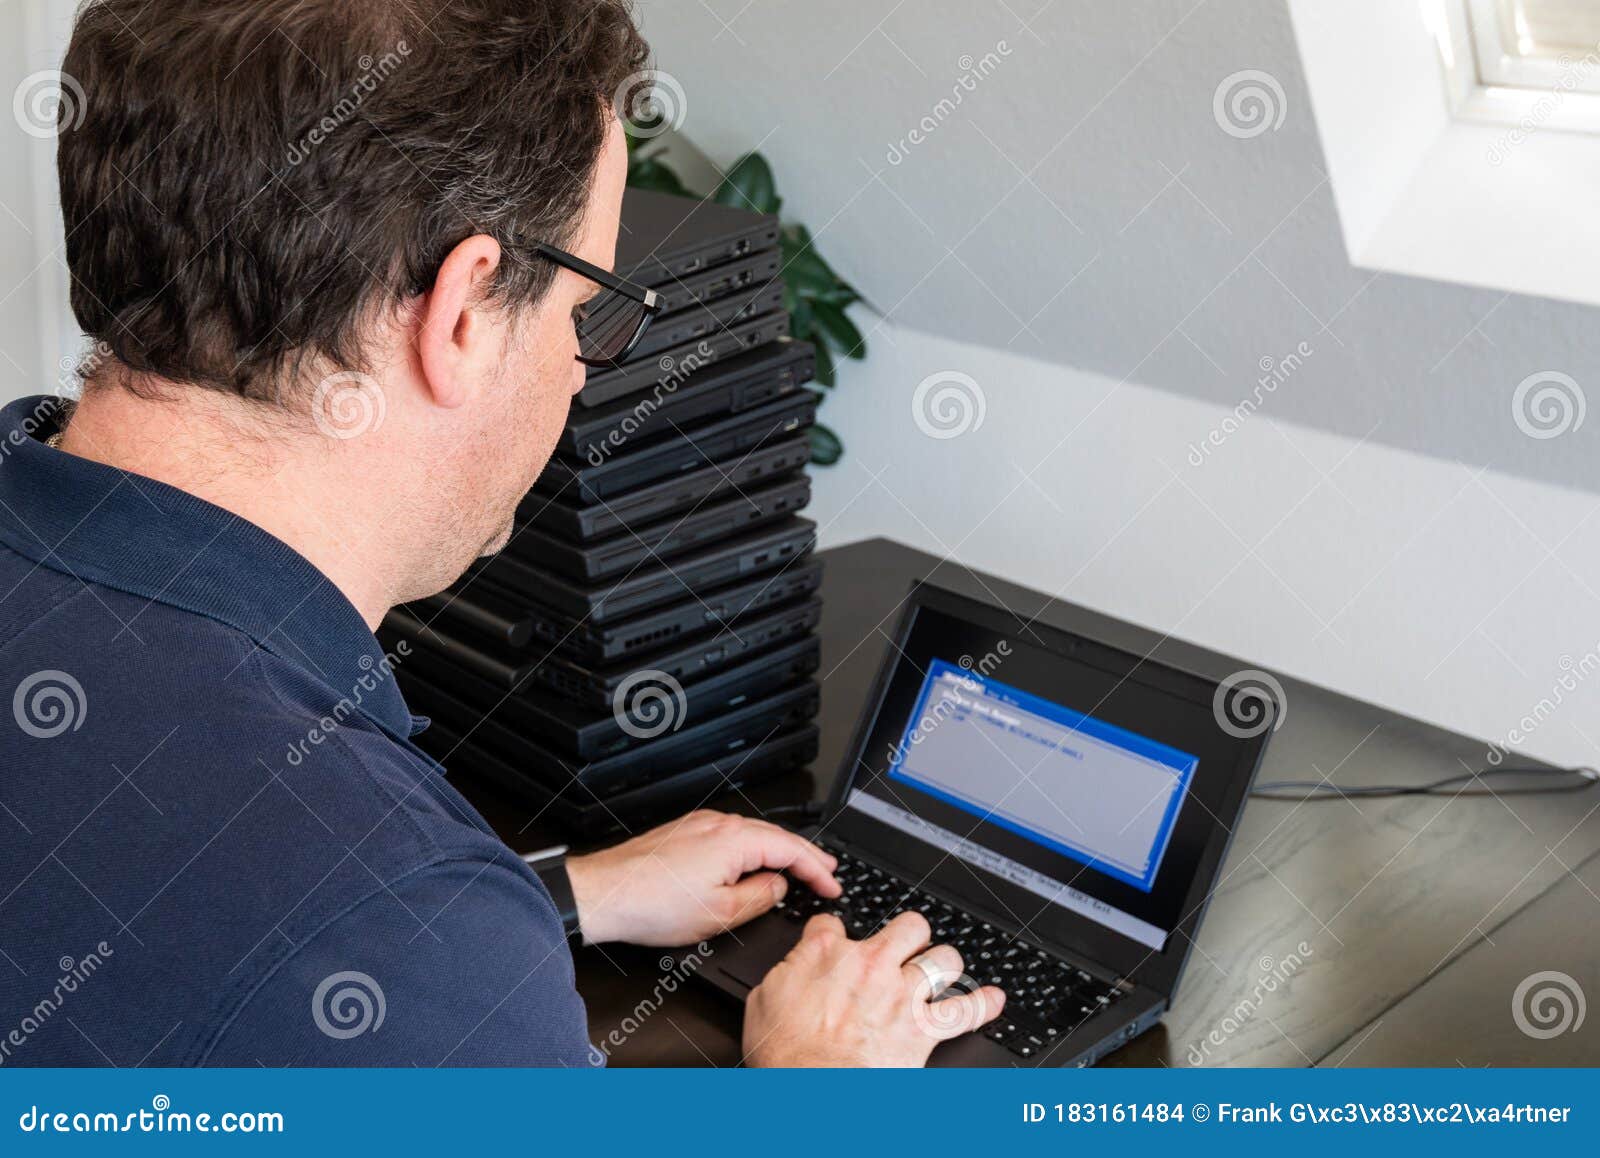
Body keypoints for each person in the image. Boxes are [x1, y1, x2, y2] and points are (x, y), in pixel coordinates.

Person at [0, 0, 1003, 1067]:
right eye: (588, 310)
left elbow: (167, 920)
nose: (579, 367)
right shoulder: (409, 931)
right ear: (465, 312)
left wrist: (553, 896)